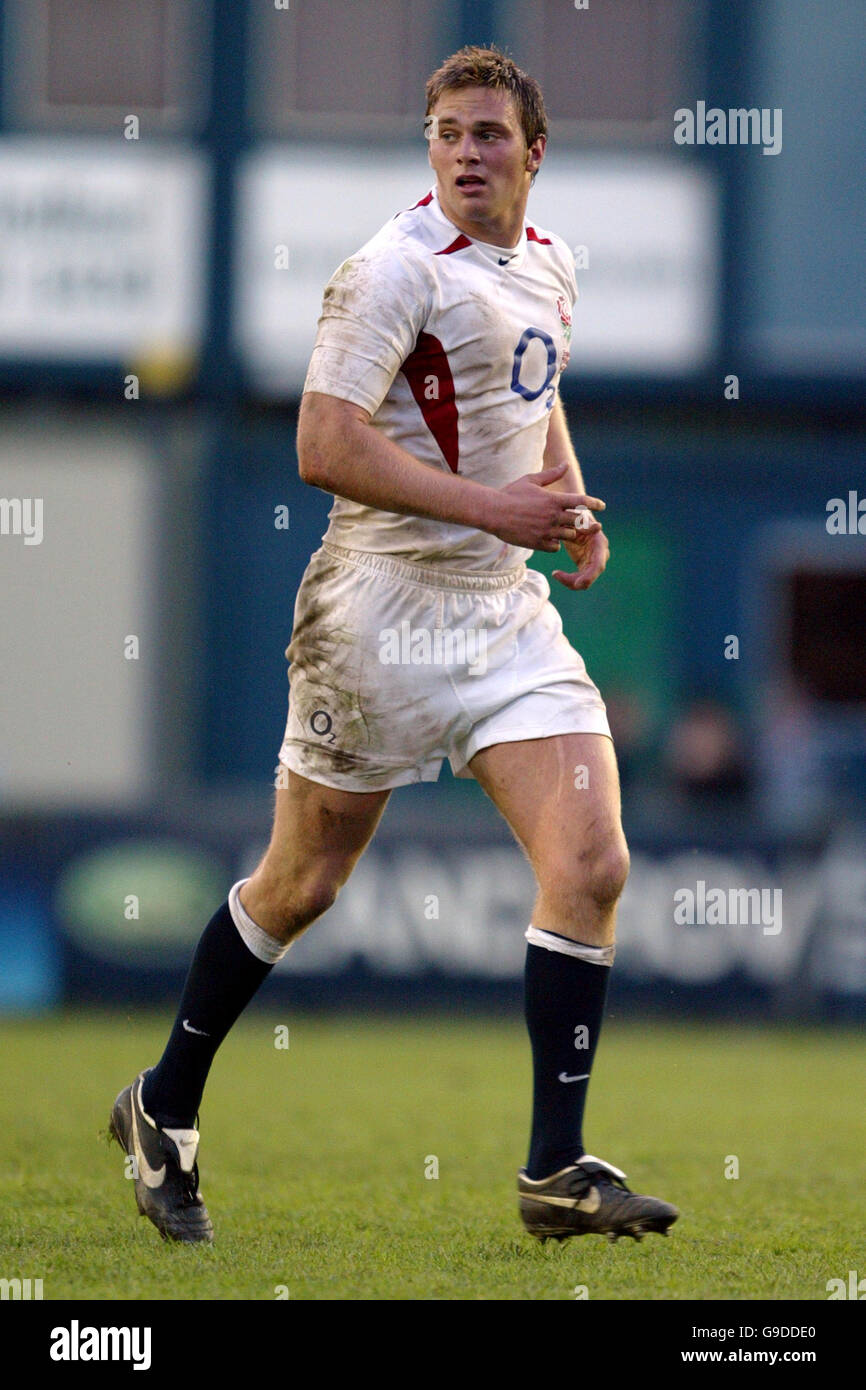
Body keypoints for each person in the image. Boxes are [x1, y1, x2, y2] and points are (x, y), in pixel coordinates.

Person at [108, 45, 678, 1248]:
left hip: (503, 612)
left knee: (592, 861)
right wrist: (499, 511)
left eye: (485, 133)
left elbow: (534, 389)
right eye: (444, 132)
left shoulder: (550, 263)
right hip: (376, 609)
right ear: (428, 149)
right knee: (301, 883)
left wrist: (563, 500)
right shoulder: (389, 270)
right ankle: (164, 1106)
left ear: (534, 152)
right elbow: (320, 442)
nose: (464, 153)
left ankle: (552, 1169)